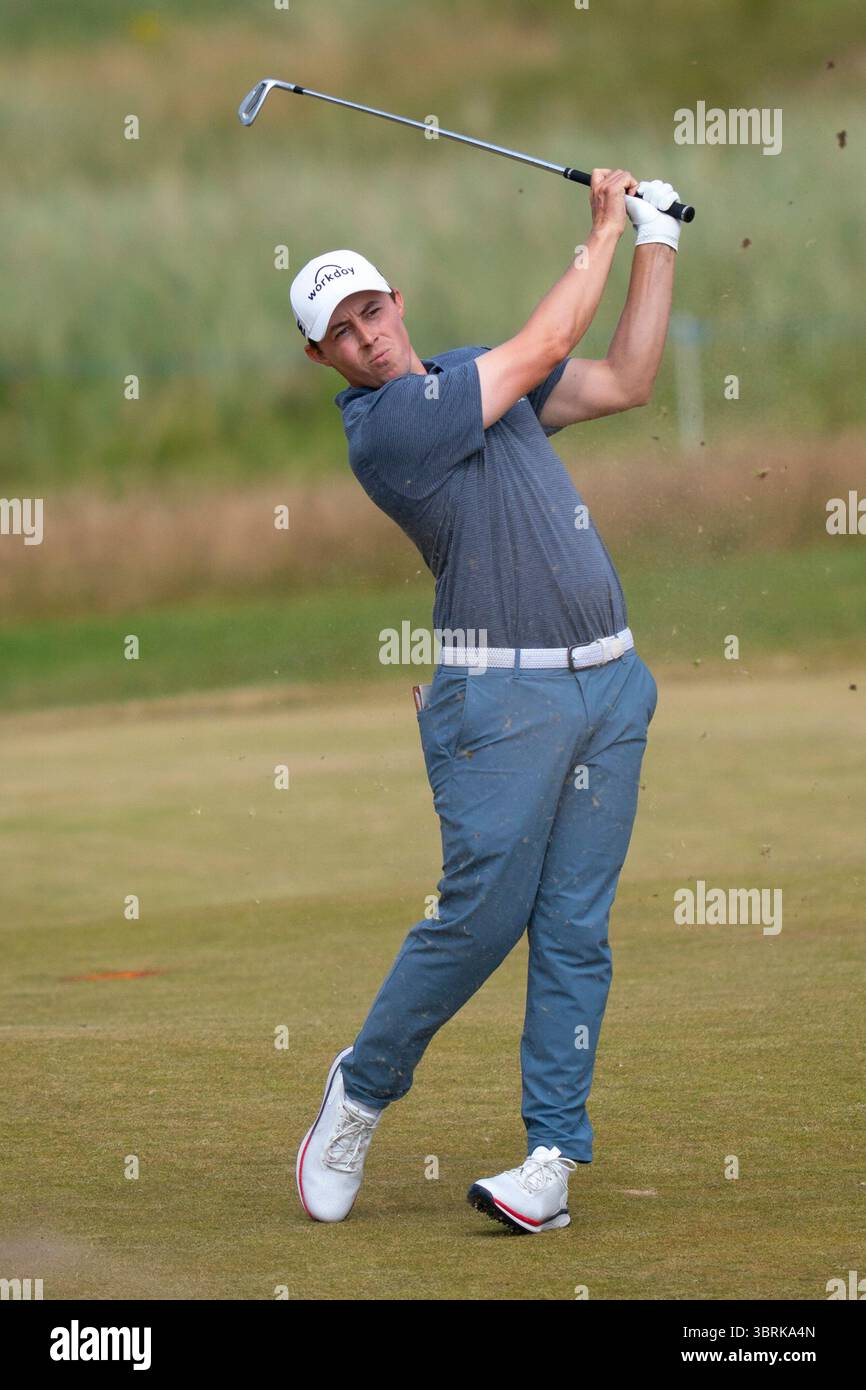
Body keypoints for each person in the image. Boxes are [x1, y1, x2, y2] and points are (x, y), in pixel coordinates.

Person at [292, 170, 682, 1233]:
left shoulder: (473, 378)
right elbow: (548, 337)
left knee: (573, 931)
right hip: (496, 697)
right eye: (341, 330)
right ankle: (359, 1092)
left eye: (372, 310)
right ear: (321, 357)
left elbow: (625, 379)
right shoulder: (387, 428)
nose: (366, 337)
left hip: (610, 683)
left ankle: (548, 1160)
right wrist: (598, 228)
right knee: (478, 918)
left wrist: (654, 240)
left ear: (397, 302)